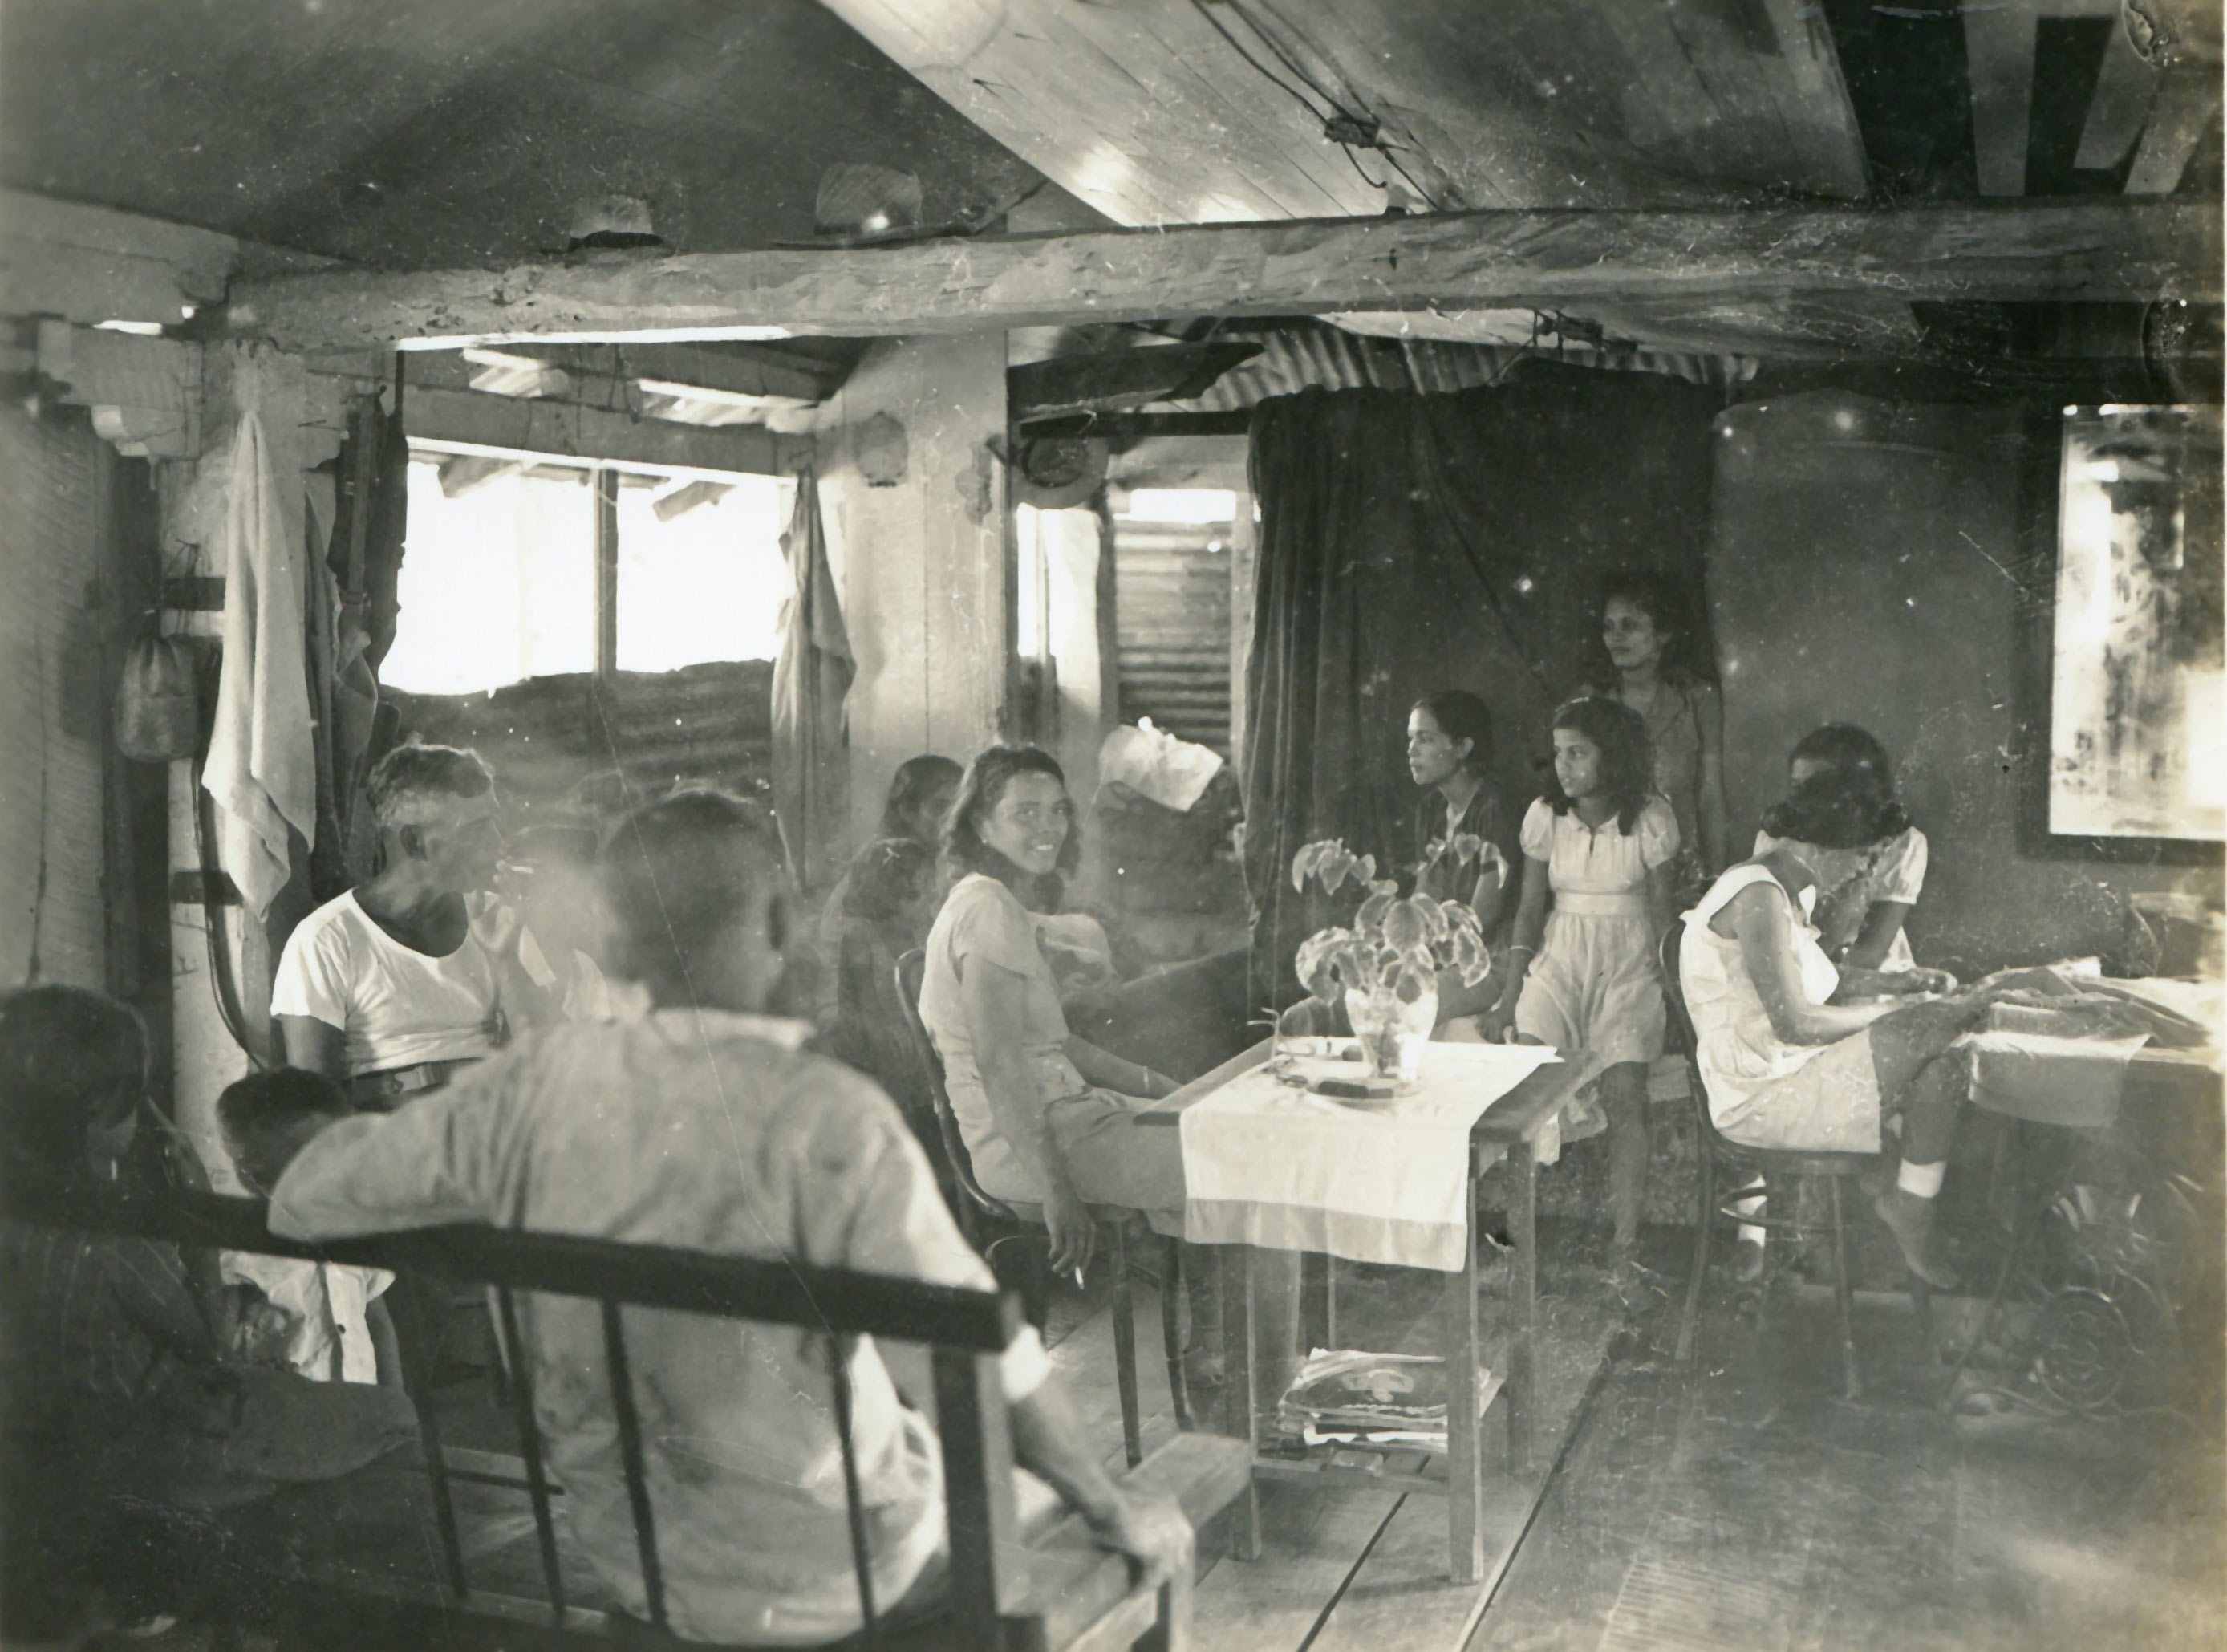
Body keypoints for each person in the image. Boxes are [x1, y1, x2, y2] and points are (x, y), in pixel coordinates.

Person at [262, 789, 1194, 1647]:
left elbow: (306, 1193)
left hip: (641, 1572)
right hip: (841, 1584)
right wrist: (1117, 1507)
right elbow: (981, 1367)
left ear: (613, 950)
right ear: (780, 928)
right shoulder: (830, 1118)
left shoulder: (526, 1091)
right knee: (1101, 1522)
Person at [0, 987, 418, 1639]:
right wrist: (194, 1209)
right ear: (98, 1114)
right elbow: (207, 1340)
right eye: (134, 1102)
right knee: (386, 1422)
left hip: (57, 1436)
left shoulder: (24, 1208)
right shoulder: (114, 1230)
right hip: (149, 1438)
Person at [1680, 760, 1984, 1289]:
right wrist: (1899, 1014)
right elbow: (1796, 1022)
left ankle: (1909, 1204)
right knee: (1941, 1040)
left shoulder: (1789, 887)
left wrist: (1900, 983)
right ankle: (1909, 1208)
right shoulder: (1757, 895)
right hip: (1758, 1095)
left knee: (1946, 1060)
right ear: (1825, 844)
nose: (1867, 871)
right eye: (1864, 856)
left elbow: (1818, 981)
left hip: (1789, 1071)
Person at [917, 746, 1190, 1275]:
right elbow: (998, 1062)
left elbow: (1058, 1043)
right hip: (1029, 1149)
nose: (1049, 827)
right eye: (1026, 812)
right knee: (1234, 1158)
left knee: (1220, 1132)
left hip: (1067, 1120)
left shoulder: (998, 904)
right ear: (982, 824)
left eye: (1058, 809)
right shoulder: (985, 908)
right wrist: (1056, 1191)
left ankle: (1214, 1320)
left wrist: (1164, 1087)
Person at [1483, 698, 1679, 1266]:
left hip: (1629, 962)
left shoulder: (1652, 817)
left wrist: (1675, 994)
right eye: (1558, 753)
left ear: (1612, 756)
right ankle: (1518, 1244)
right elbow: (1528, 912)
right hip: (1560, 958)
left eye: (1578, 753)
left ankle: (1625, 1247)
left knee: (1625, 1095)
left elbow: (1663, 916)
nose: (1563, 766)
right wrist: (1511, 993)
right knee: (1528, 1084)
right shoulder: (1546, 817)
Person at [273, 743, 554, 1106]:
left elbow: (550, 1056)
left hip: (491, 1120)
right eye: (476, 831)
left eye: (494, 824)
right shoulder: (325, 940)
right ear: (414, 841)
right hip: (389, 1131)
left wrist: (505, 957)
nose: (497, 844)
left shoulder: (497, 916)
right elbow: (315, 1102)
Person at [218, 1069, 400, 1387]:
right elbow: (222, 1337)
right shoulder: (240, 1243)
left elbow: (377, 1319)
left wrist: (395, 1400)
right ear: (251, 1173)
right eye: (272, 1174)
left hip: (360, 1401)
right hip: (288, 1403)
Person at [1579, 571, 1728, 891]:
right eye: (1608, 627)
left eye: (1629, 625)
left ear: (1663, 634)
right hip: (1611, 872)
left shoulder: (1697, 698)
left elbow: (1710, 792)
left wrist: (1716, 878)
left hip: (1681, 869)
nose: (1615, 637)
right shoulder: (1589, 703)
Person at [1752, 725, 1937, 974]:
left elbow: (1870, 954)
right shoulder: (1776, 842)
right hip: (1795, 970)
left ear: (1854, 795)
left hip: (1868, 976)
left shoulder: (1899, 844)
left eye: (1816, 789)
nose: (1800, 802)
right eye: (1797, 786)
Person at [816, 755, 963, 1026]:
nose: (953, 820)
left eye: (960, 806)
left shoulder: (935, 868)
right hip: (866, 1018)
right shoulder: (884, 872)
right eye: (940, 806)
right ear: (907, 811)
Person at [820, 836, 946, 1146]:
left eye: (932, 883)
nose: (933, 893)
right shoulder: (860, 939)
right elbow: (870, 1018)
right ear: (894, 896)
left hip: (912, 1034)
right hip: (872, 1046)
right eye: (923, 886)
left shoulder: (925, 931)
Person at [1406, 689, 1513, 1036]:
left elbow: (1481, 921)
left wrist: (1429, 961)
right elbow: (1424, 898)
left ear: (1463, 747)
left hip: (1487, 960)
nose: (1412, 750)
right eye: (1411, 738)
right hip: (1443, 955)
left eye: (1426, 739)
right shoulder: (1431, 810)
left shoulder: (1494, 809)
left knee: (1400, 1005)